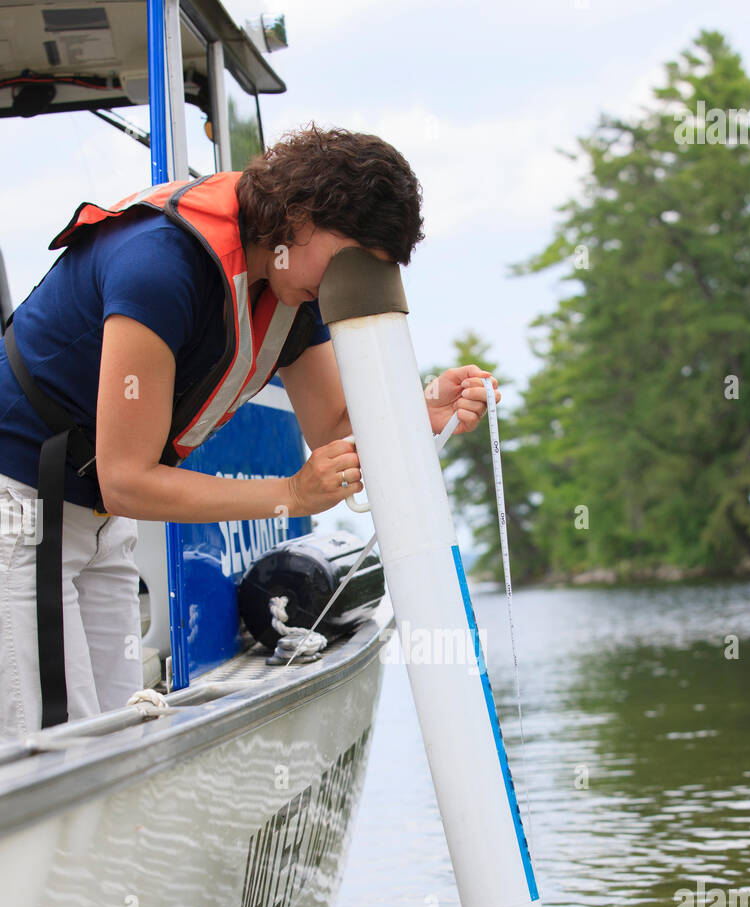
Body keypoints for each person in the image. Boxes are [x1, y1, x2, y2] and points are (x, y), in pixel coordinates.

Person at [0, 123, 499, 739]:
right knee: (55, 753)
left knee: (115, 736)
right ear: (299, 214)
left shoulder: (292, 289)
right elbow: (126, 478)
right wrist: (291, 495)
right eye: (349, 258)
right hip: (22, 509)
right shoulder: (161, 266)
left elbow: (335, 428)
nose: (348, 281)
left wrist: (420, 409)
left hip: (97, 522)